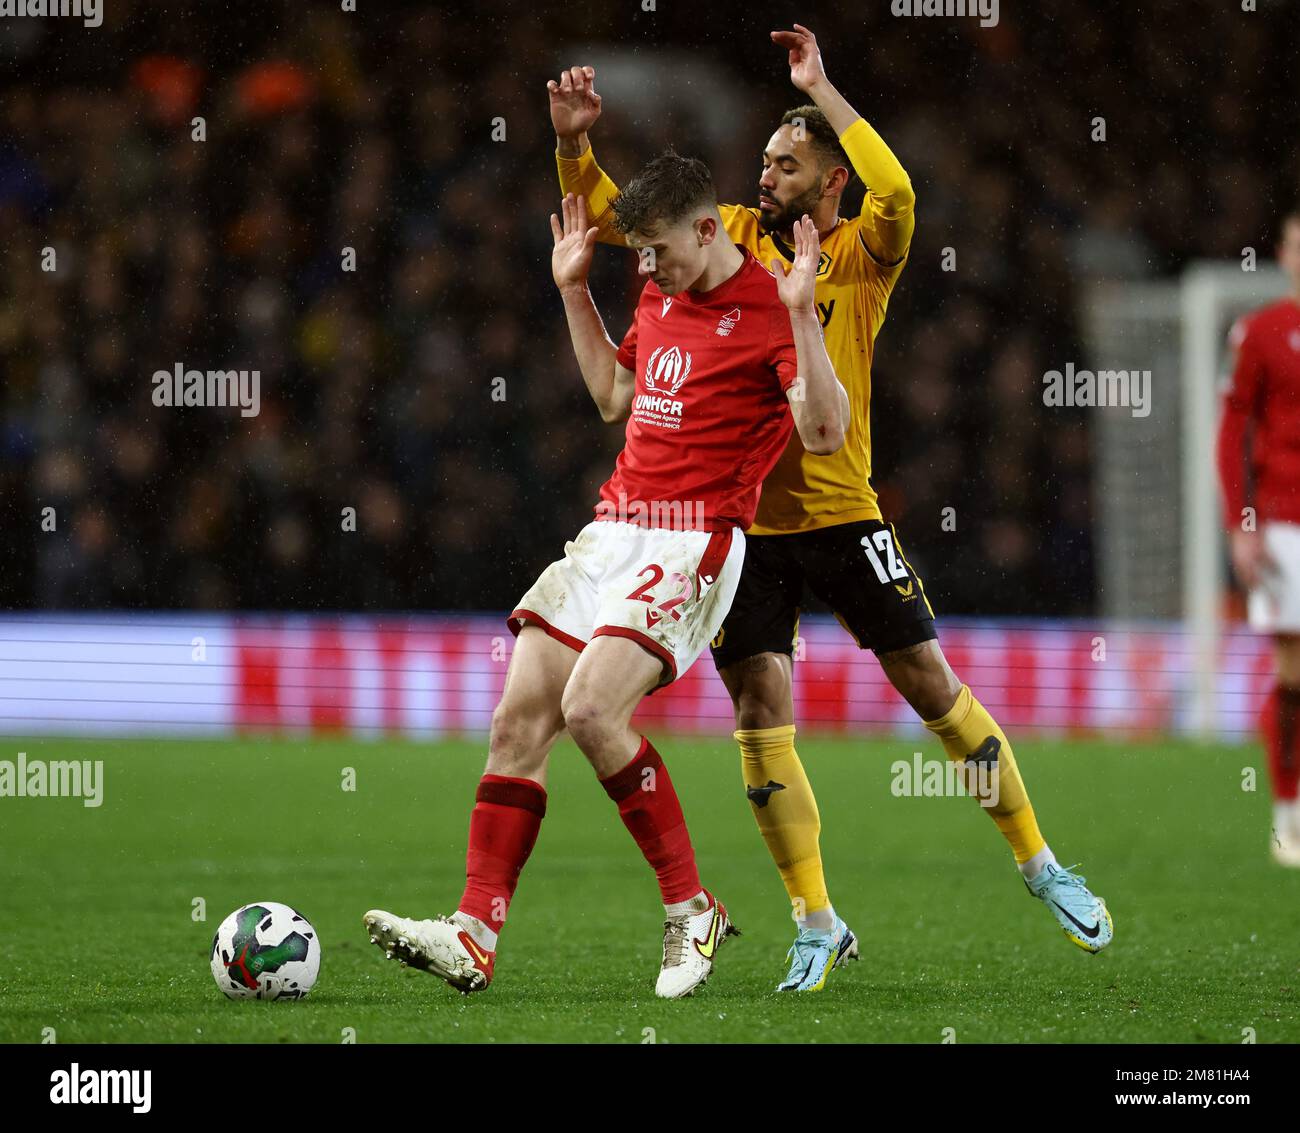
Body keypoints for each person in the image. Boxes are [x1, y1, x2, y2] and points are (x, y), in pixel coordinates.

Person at [550, 23, 1113, 992]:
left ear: (829, 179)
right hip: (741, 532)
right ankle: (816, 917)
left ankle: (1039, 860)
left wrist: (825, 88)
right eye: (765, 160)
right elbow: (620, 216)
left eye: (788, 163)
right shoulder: (726, 234)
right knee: (760, 718)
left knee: (931, 686)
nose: (767, 174)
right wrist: (572, 145)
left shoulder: (859, 253)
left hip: (844, 510)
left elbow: (897, 190)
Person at [364, 149, 848, 998]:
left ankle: (690, 908)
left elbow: (821, 434)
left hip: (693, 539)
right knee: (518, 723)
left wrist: (806, 315)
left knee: (590, 707)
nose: (648, 266)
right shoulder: (660, 289)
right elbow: (611, 395)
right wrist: (572, 290)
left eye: (657, 249)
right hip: (611, 531)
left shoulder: (775, 305)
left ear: (708, 229)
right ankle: (474, 932)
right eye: (639, 255)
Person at [1217, 206, 1300, 867]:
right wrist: (1239, 524)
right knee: (1293, 673)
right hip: (1282, 524)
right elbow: (1232, 433)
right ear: (1283, 255)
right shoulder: (1262, 332)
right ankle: (1287, 818)